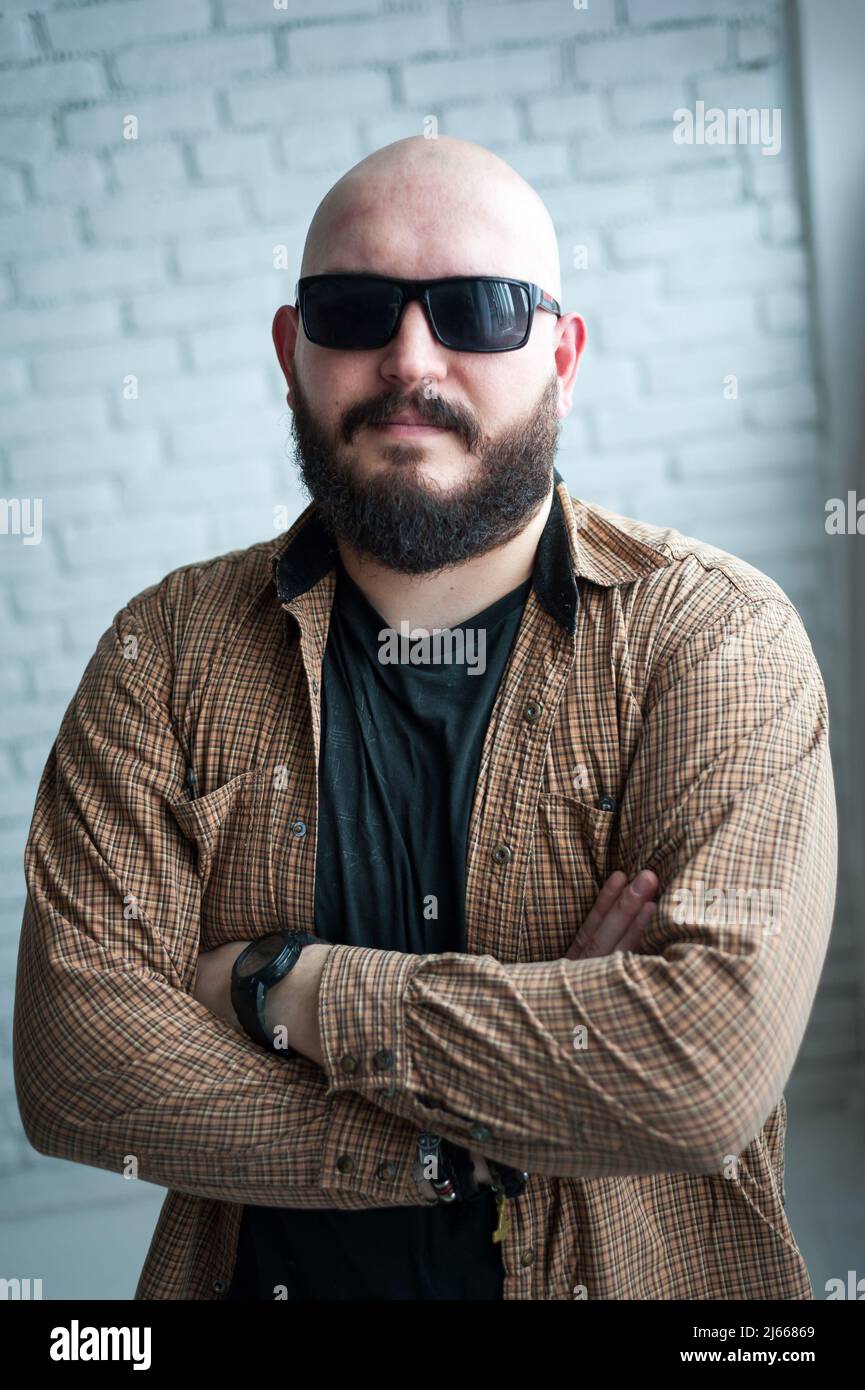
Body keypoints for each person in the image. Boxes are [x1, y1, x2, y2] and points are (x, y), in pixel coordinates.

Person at [14, 135, 836, 1301]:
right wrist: (480, 1132)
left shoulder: (714, 638)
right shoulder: (164, 653)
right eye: (356, 310)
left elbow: (700, 1066)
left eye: (478, 309)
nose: (411, 358)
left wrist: (277, 985)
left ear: (562, 350)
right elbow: (78, 1068)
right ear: (294, 352)